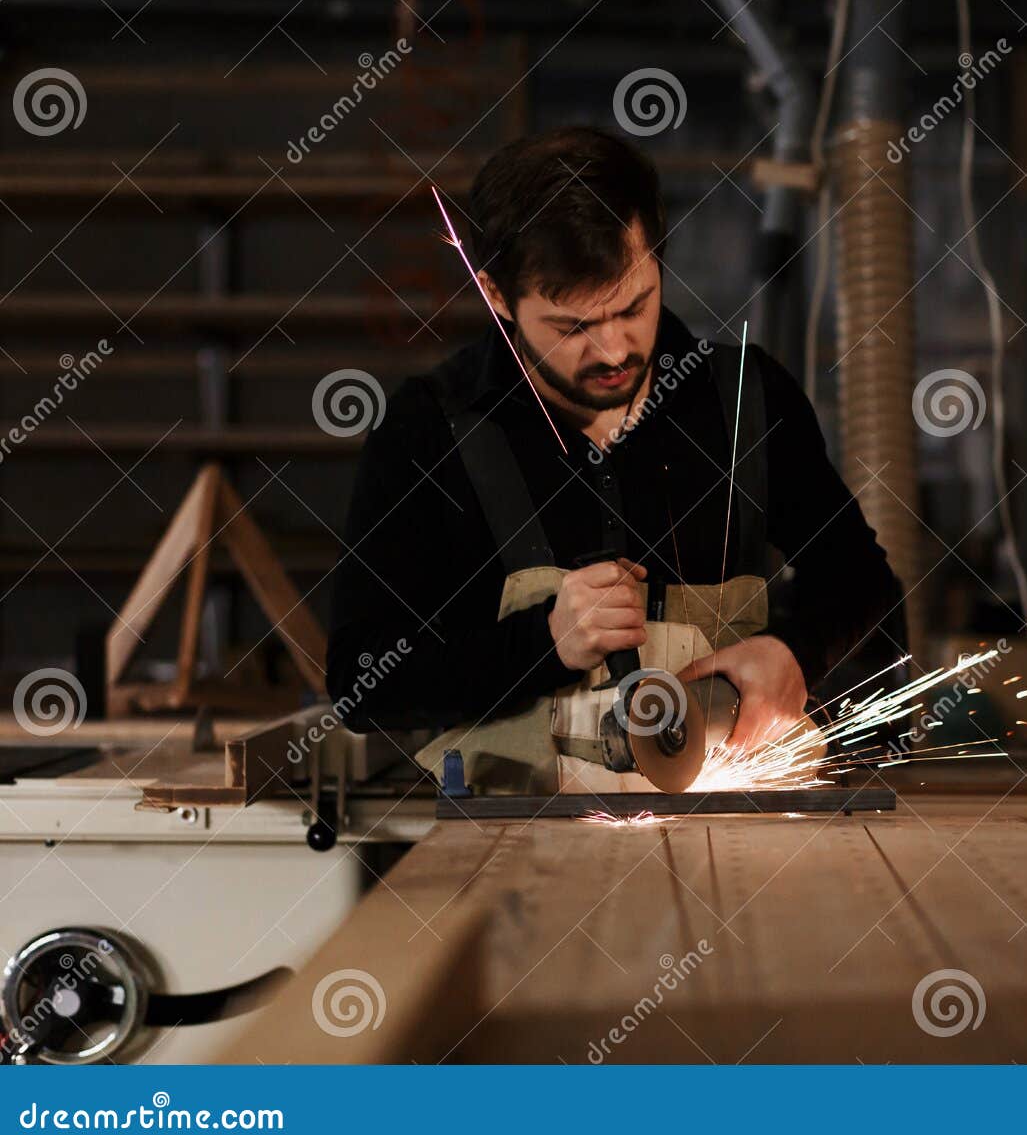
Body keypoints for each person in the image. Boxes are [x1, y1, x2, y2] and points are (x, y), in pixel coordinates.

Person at [325, 126, 903, 759]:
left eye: (633, 307)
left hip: (731, 825)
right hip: (513, 840)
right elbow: (361, 682)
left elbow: (862, 584)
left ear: (656, 260)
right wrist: (545, 645)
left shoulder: (748, 401)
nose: (613, 351)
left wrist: (794, 653)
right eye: (573, 325)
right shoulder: (428, 430)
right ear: (498, 296)